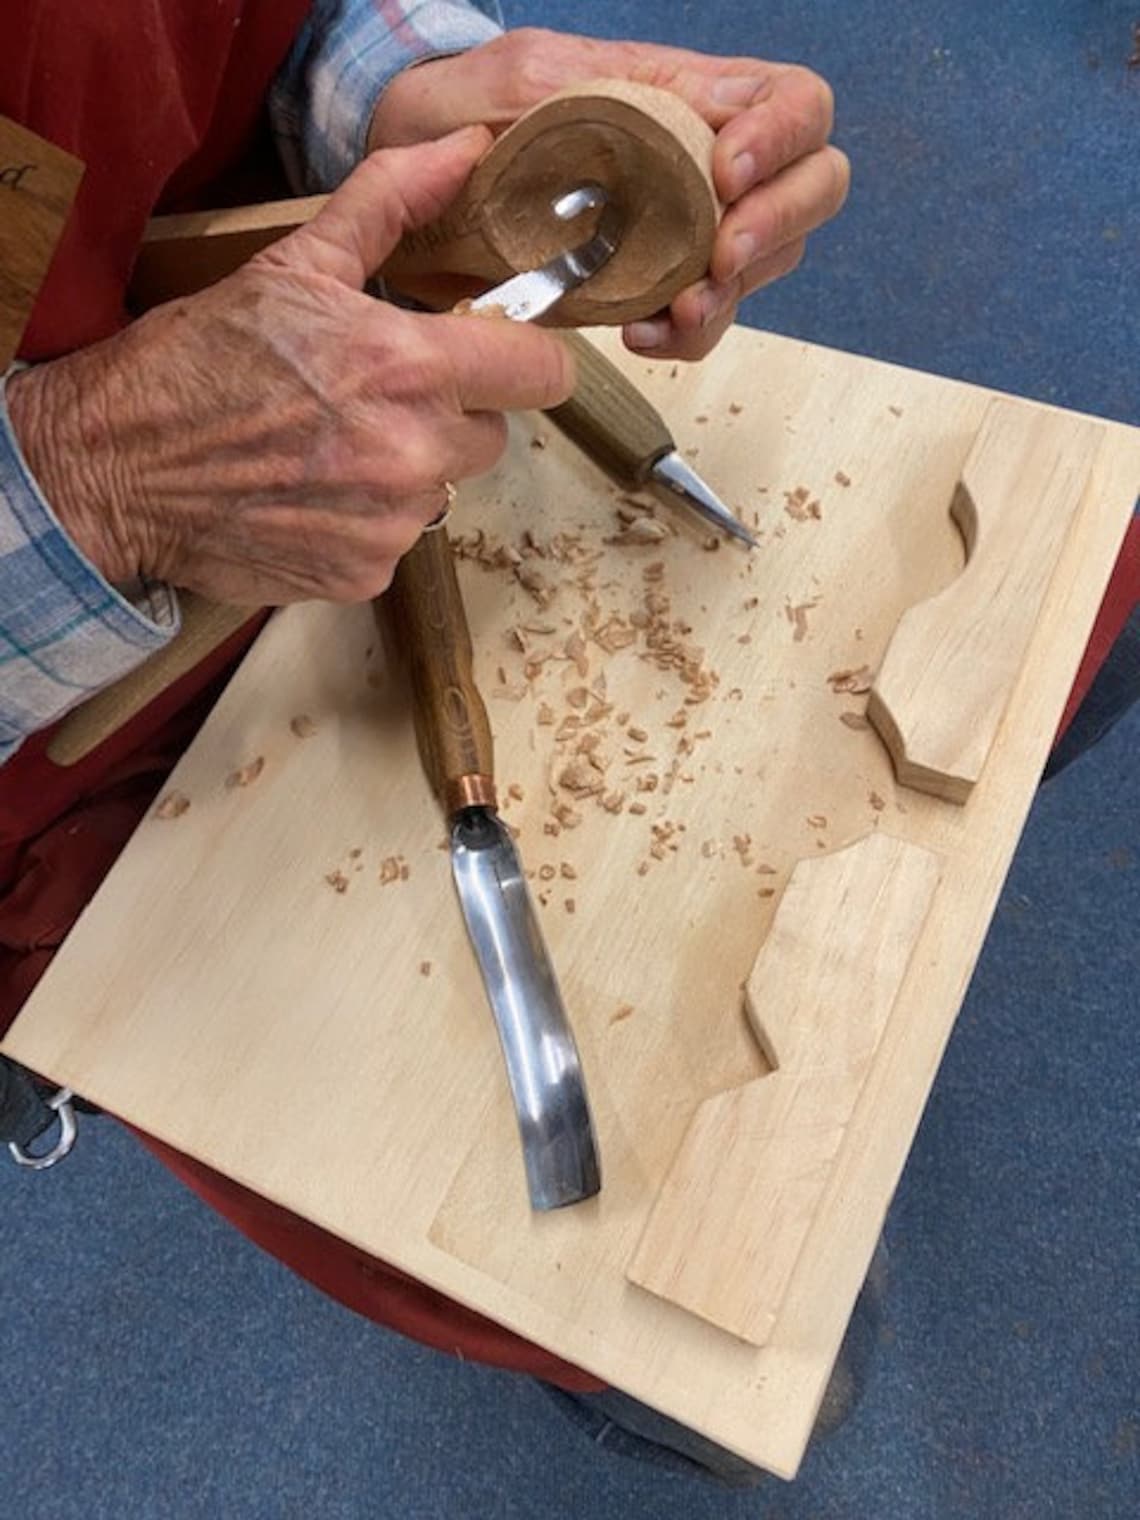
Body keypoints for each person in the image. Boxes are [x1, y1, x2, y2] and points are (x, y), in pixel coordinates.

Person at [0, 0, 1133, 1489]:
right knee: (683, 1326)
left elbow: (235, 33)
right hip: (70, 751)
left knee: (1081, 583)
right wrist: (92, 484)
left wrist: (417, 106)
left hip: (339, 371)